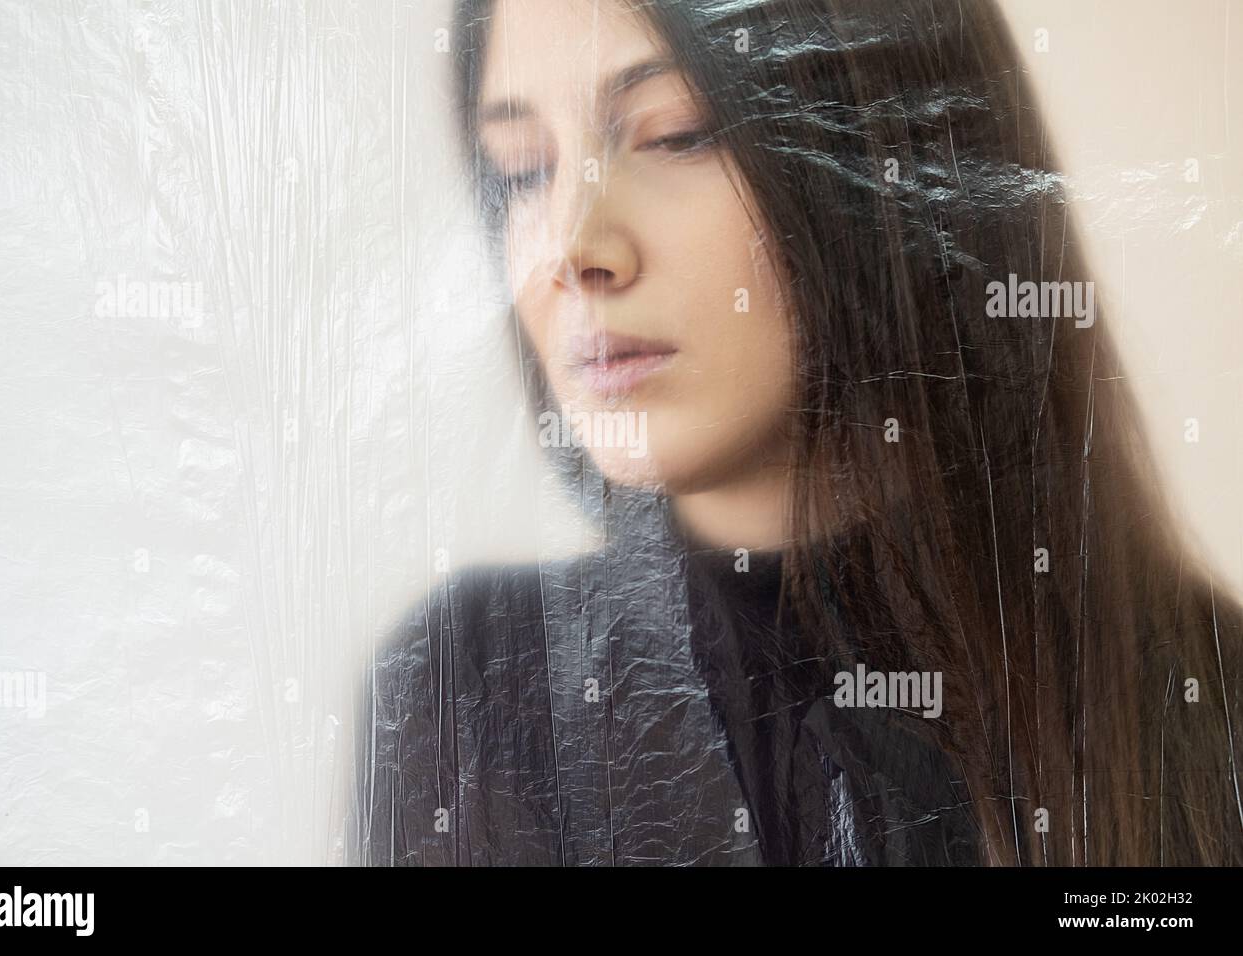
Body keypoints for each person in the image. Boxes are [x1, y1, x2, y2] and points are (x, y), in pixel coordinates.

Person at [348, 0, 1243, 866]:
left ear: (894, 157)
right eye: (520, 169)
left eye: (676, 133)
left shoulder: (1204, 702)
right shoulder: (475, 694)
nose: (571, 250)